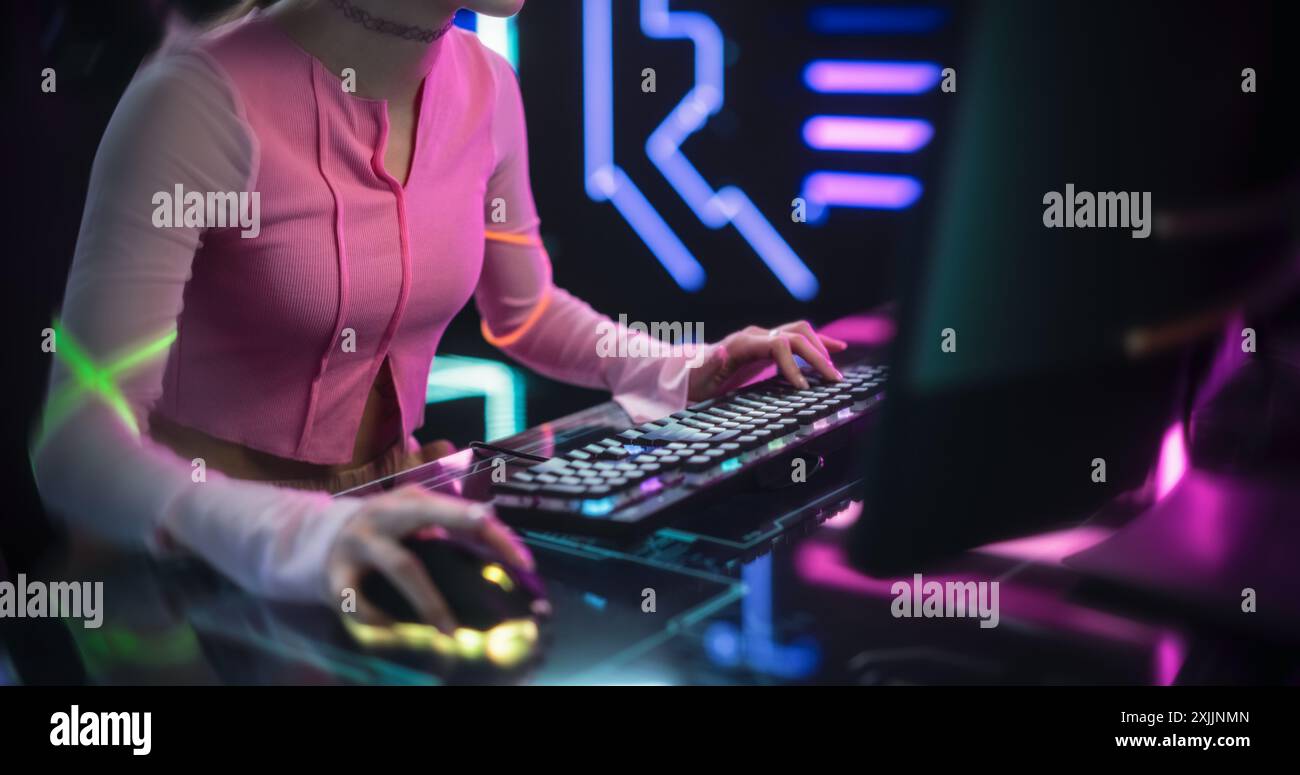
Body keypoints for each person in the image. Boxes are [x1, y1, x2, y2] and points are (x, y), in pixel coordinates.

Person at [33, 0, 846, 632]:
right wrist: (299, 535)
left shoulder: (487, 87)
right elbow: (75, 443)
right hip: (189, 573)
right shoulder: (196, 96)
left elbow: (526, 314)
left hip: (391, 520)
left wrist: (681, 367)